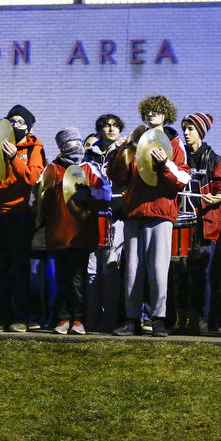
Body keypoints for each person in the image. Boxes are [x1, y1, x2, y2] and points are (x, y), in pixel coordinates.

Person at [111, 95, 191, 337]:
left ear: (166, 115)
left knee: (158, 269)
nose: (151, 114)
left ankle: (158, 319)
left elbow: (182, 179)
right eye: (148, 110)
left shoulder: (174, 143)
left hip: (160, 212)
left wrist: (165, 163)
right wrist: (122, 152)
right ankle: (132, 319)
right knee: (132, 270)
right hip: (135, 211)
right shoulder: (136, 141)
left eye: (156, 111)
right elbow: (118, 178)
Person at [38, 128, 112, 334]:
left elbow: (106, 196)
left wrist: (89, 194)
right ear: (62, 146)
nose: (78, 144)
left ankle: (79, 319)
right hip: (58, 234)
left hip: (82, 234)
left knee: (79, 278)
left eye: (80, 141)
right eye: (72, 141)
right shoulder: (52, 169)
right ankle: (63, 318)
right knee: (61, 279)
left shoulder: (90, 168)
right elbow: (38, 199)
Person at [0, 105, 45, 332]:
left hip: (20, 214)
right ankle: (1, 316)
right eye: (12, 121)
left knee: (19, 268)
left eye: (20, 122)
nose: (15, 125)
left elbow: (32, 177)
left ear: (28, 128)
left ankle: (21, 316)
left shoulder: (34, 148)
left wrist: (14, 159)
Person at [173, 112, 221, 335]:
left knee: (201, 275)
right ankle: (180, 319)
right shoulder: (179, 157)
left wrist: (217, 197)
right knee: (179, 273)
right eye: (184, 129)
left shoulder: (215, 160)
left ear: (201, 132)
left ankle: (200, 320)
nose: (186, 133)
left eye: (191, 129)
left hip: (204, 225)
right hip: (180, 224)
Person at [85, 113, 127, 332]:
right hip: (93, 217)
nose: (112, 129)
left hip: (116, 217)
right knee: (92, 269)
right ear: (99, 130)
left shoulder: (124, 153)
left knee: (111, 269)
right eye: (107, 126)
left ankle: (110, 317)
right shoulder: (88, 155)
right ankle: (92, 316)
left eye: (115, 126)